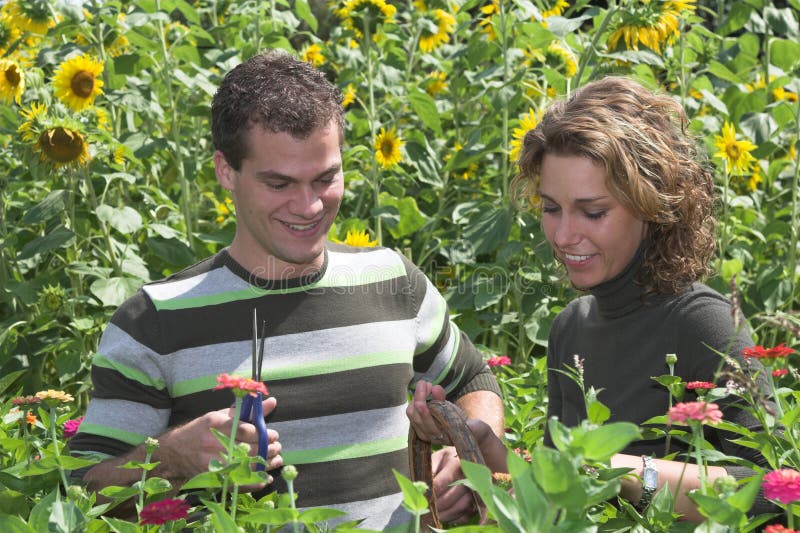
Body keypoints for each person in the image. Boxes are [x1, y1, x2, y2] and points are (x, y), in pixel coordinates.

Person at [69, 49, 505, 530]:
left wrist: (467, 461)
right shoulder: (154, 320)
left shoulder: (394, 281)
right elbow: (83, 491)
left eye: (326, 178)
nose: (309, 205)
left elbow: (473, 382)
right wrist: (171, 459)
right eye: (279, 184)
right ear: (225, 171)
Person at [409, 76, 777, 522]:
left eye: (593, 212)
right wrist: (486, 454)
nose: (564, 235)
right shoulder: (571, 327)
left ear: (650, 202)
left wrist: (620, 470)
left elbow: (776, 489)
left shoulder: (704, 323)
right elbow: (559, 503)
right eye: (551, 208)